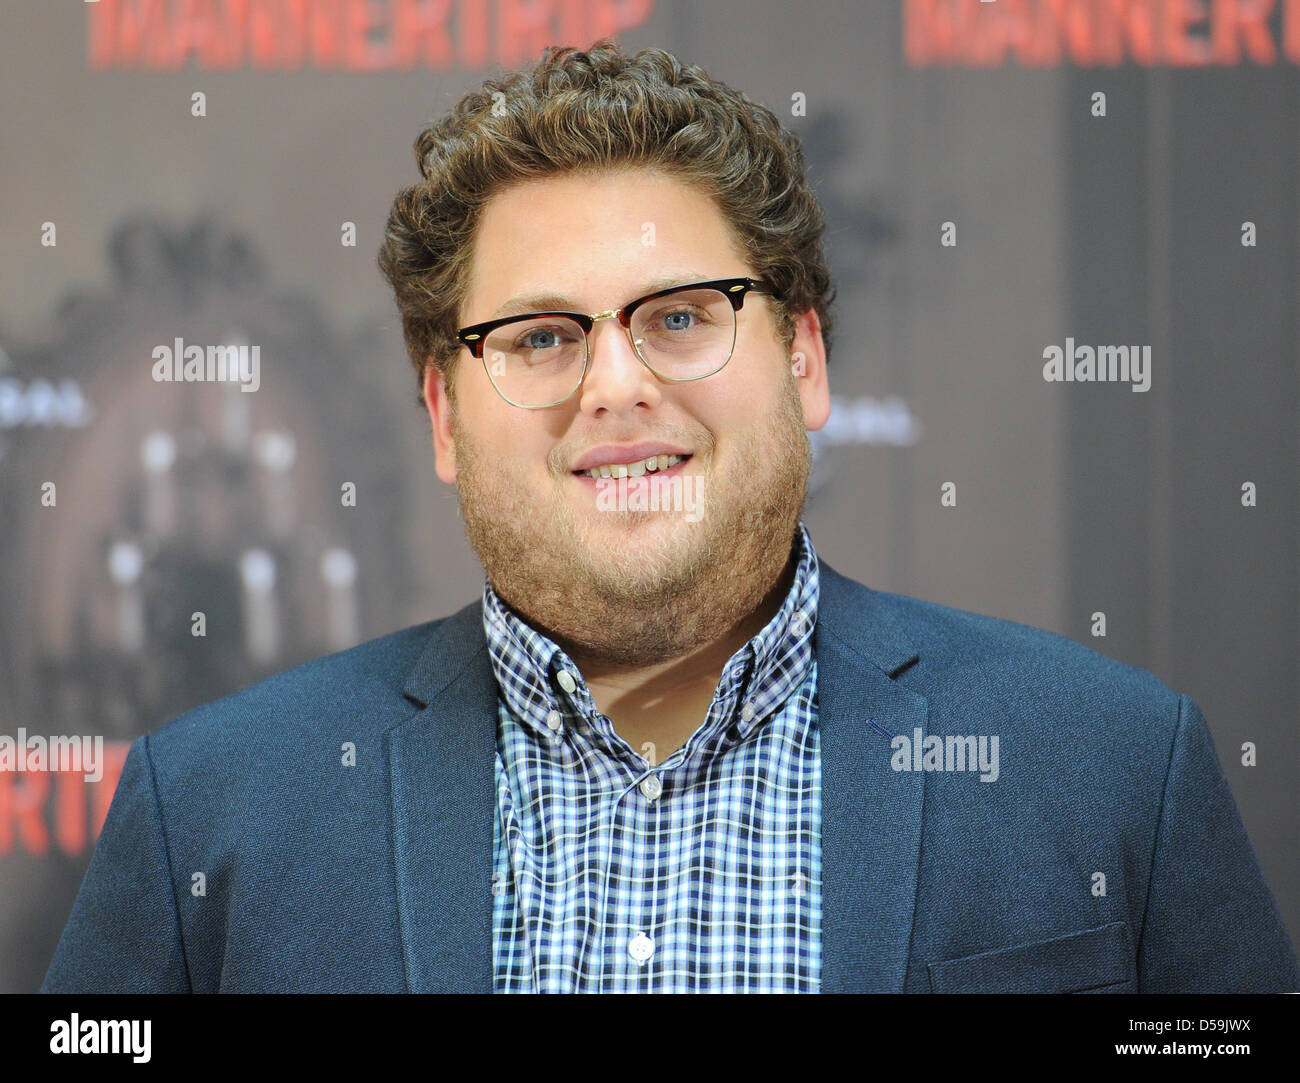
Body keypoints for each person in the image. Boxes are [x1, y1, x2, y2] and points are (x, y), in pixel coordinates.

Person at [42, 40, 1296, 994]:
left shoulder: (1119, 769)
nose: (618, 385)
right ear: (440, 413)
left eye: (682, 316)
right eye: (539, 336)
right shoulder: (204, 814)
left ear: (804, 358)